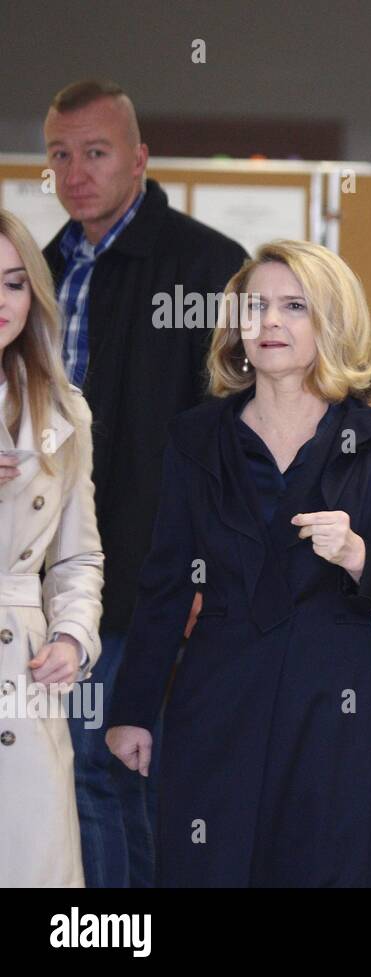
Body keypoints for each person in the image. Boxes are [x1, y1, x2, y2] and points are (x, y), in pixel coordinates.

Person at [104, 240, 371, 886]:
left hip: (335, 709)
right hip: (218, 701)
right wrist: (133, 708)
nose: (269, 322)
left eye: (293, 306)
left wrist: (357, 554)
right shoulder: (197, 437)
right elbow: (166, 582)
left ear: (332, 323)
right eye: (254, 306)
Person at [42, 79, 247, 887]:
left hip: (152, 581)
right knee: (79, 779)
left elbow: (235, 437)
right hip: (54, 575)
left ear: (139, 158)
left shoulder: (205, 266)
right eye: (60, 154)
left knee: (122, 775)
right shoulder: (40, 265)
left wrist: (207, 569)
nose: (76, 172)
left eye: (96, 152)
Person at [0, 209, 104, 886]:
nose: (1, 302)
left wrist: (71, 637)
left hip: (23, 677)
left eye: (13, 283)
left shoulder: (63, 410)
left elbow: (78, 556)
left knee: (35, 866)